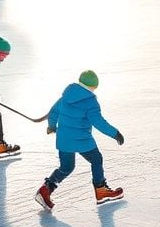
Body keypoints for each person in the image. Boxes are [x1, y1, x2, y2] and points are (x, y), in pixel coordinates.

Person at [35, 70, 125, 211]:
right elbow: (98, 122)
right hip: (82, 140)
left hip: (64, 138)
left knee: (66, 167)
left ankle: (46, 189)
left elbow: (53, 112)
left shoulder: (66, 95)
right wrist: (115, 133)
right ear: (92, 87)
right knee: (96, 159)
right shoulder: (91, 101)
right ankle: (100, 190)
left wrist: (52, 126)